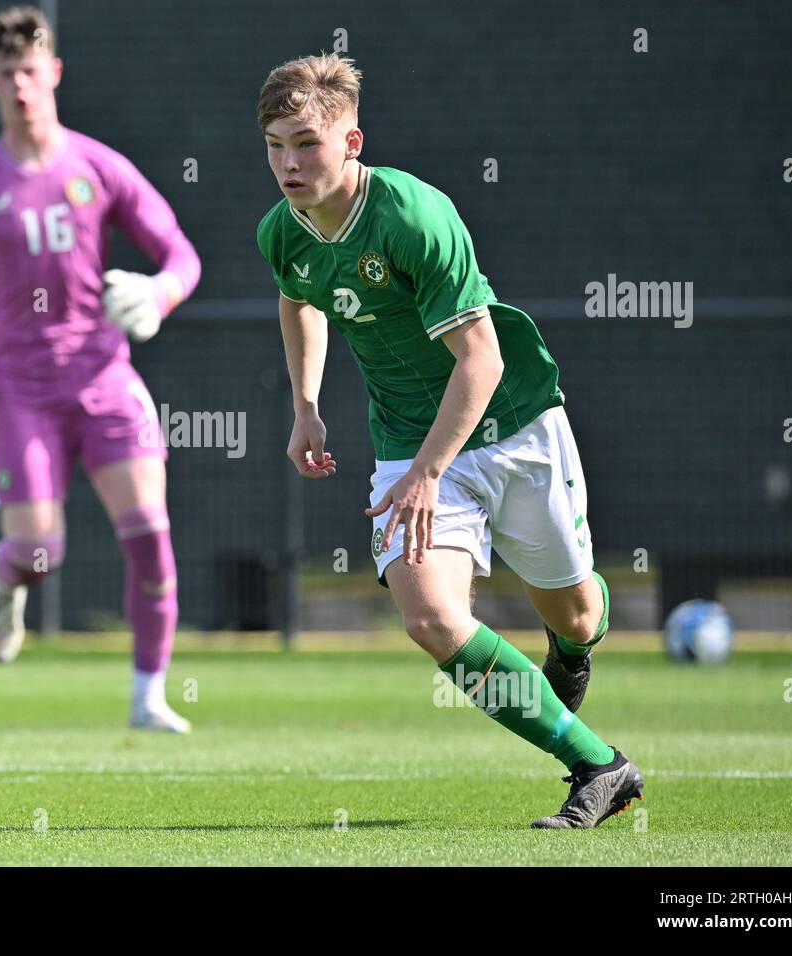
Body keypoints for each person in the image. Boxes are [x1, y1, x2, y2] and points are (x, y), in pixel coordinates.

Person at [255, 52, 643, 826]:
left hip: (514, 425)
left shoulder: (412, 216)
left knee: (569, 613)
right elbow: (299, 298)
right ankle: (598, 767)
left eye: (307, 142)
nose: (289, 164)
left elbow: (484, 359)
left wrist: (431, 472)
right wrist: (306, 406)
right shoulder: (281, 232)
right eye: (274, 145)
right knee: (431, 618)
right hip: (409, 443)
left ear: (352, 141)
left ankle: (573, 649)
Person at [0, 6, 201, 732]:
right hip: (18, 391)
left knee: (151, 538)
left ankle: (147, 696)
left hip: (103, 378)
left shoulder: (100, 167)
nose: (22, 86)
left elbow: (182, 255)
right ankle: (6, 577)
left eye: (32, 71)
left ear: (55, 73)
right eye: (7, 74)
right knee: (40, 552)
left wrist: (158, 295)